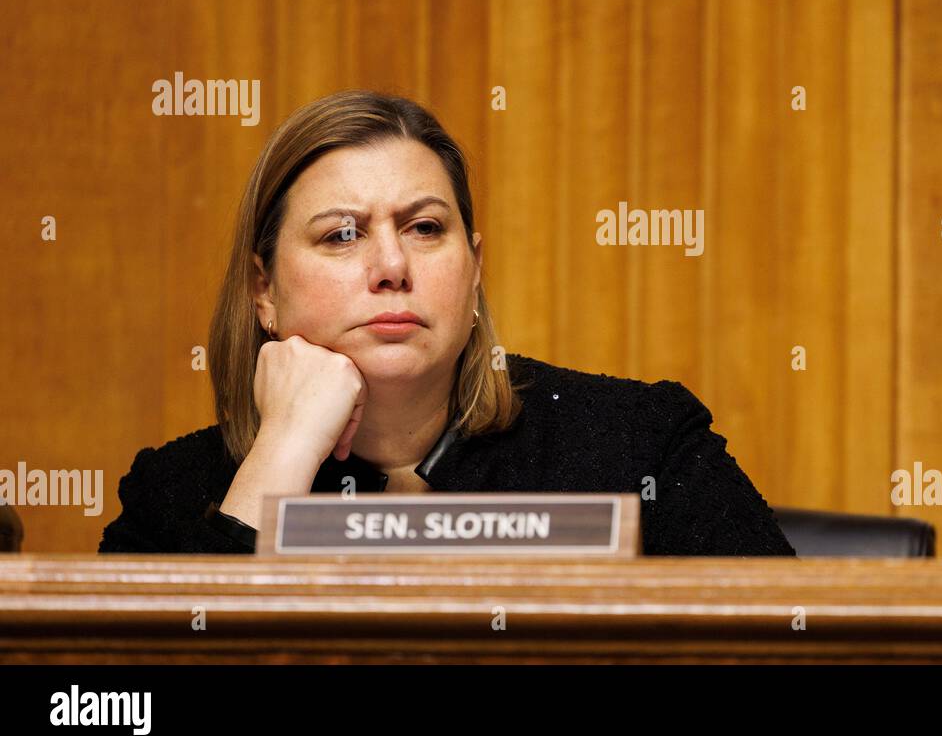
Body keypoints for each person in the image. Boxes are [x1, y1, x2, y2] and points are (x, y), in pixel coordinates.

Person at [98, 90, 794, 557]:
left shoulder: (640, 446)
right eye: (341, 235)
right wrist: (282, 453)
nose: (391, 264)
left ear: (474, 266)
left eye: (426, 227)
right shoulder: (174, 493)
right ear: (263, 289)